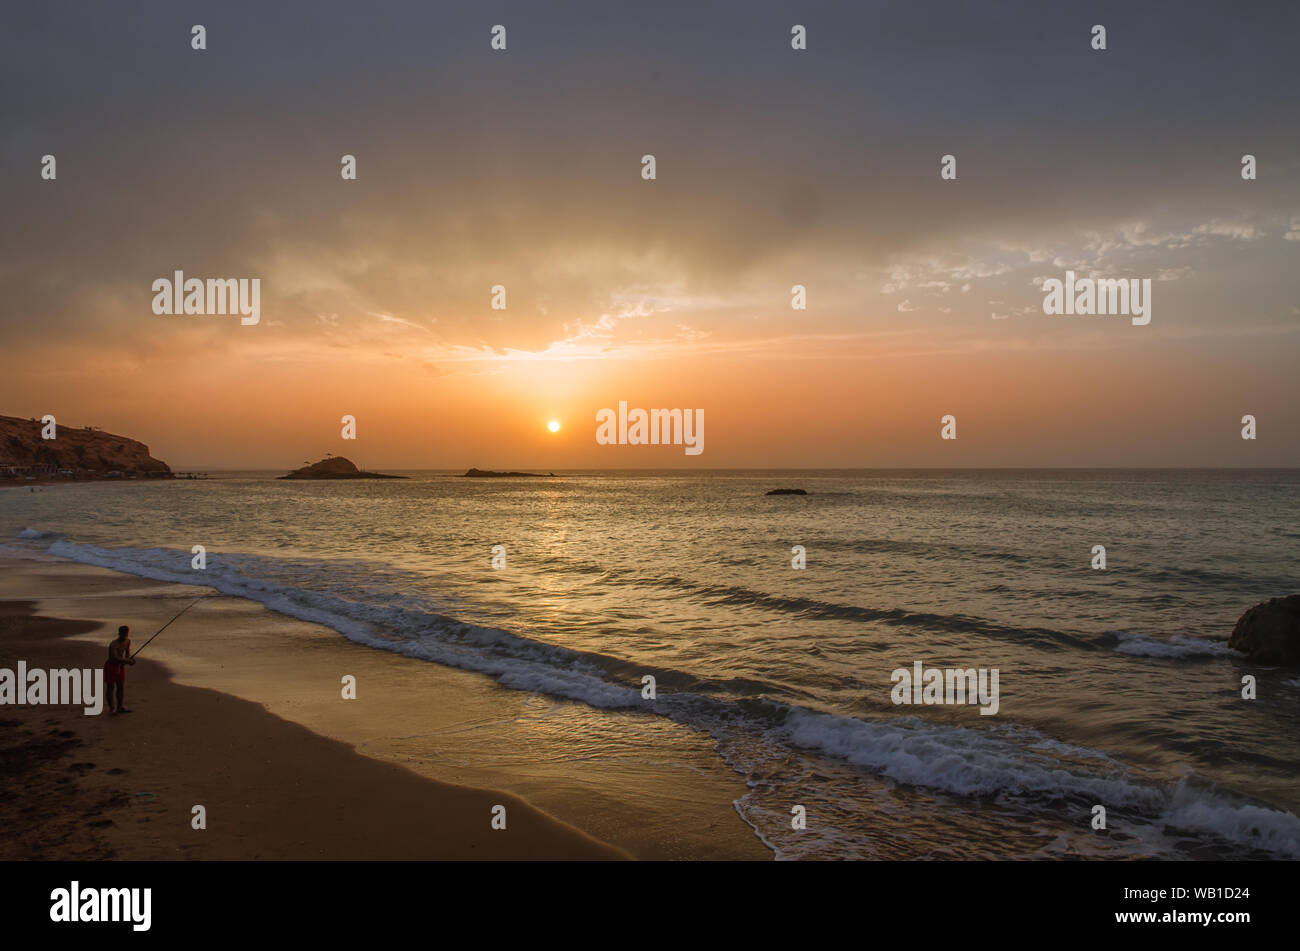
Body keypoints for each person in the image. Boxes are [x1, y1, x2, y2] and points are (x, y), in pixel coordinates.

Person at [104, 625, 135, 714]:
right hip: (111, 666)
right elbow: (113, 657)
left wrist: (128, 660)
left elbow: (127, 653)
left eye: (126, 634)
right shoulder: (113, 644)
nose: (124, 636)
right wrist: (127, 661)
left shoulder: (128, 641)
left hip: (120, 666)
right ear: (119, 633)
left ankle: (120, 707)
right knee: (111, 687)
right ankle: (112, 709)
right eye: (123, 634)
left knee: (120, 686)